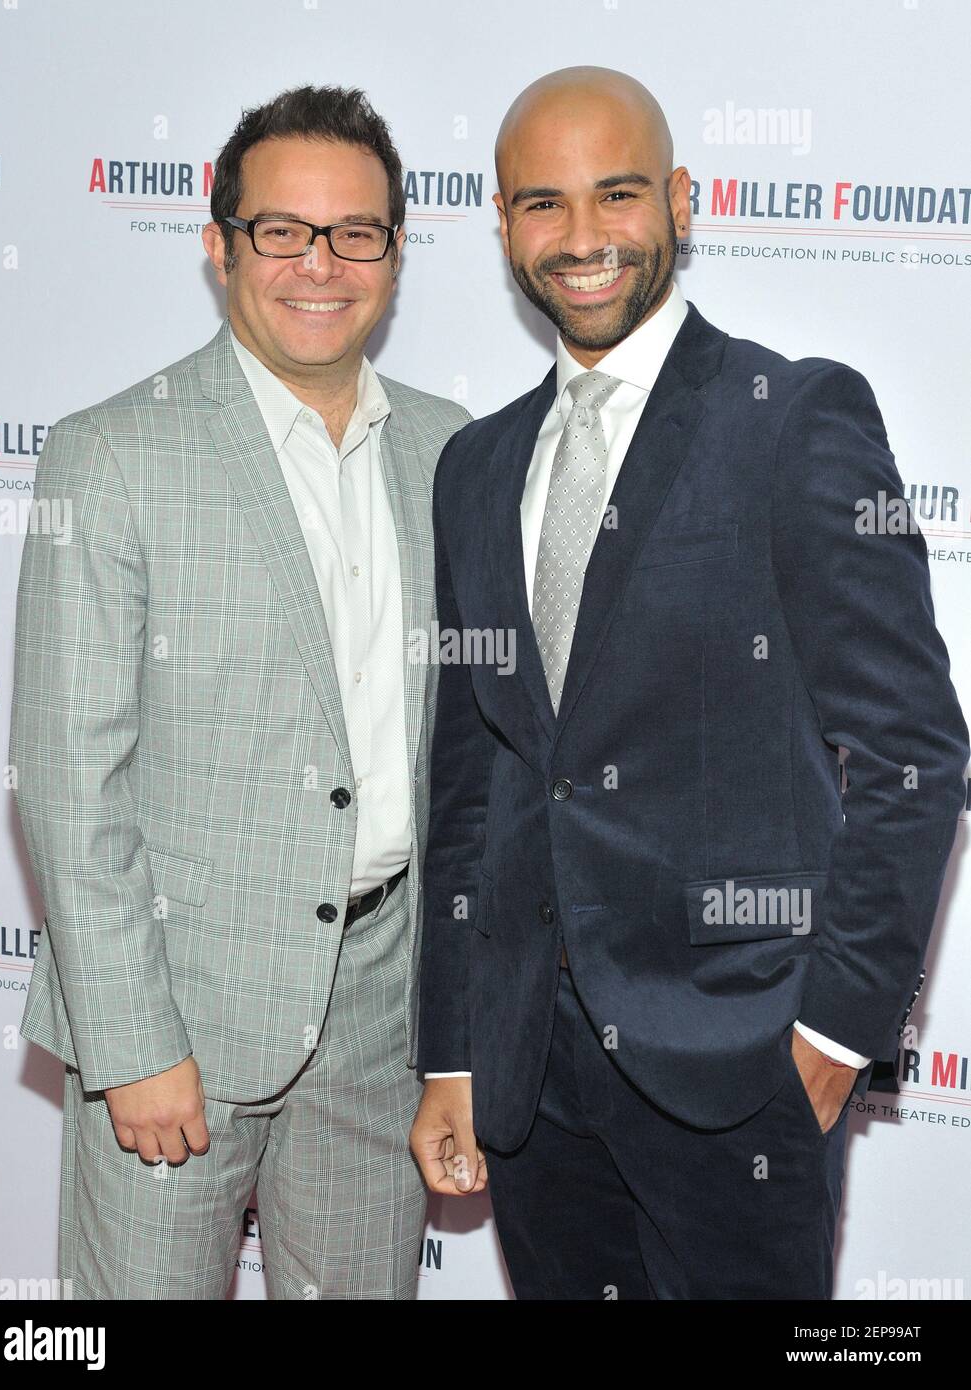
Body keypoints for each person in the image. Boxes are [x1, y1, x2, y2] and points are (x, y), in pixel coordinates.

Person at [410, 66, 969, 1299]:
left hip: (739, 1068)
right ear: (502, 224)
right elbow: (472, 781)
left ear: (681, 200)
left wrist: (830, 1037)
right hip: (531, 1079)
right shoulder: (475, 464)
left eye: (616, 194)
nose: (582, 237)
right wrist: (450, 1047)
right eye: (542, 204)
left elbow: (914, 753)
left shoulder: (791, 417)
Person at [10, 84, 469, 1300]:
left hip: (382, 1020)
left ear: (394, 253)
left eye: (355, 232)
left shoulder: (450, 449)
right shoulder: (112, 454)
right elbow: (68, 779)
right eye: (281, 230)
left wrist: (457, 1038)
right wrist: (131, 1043)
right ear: (219, 248)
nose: (319, 265)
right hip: (178, 1021)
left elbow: (474, 767)